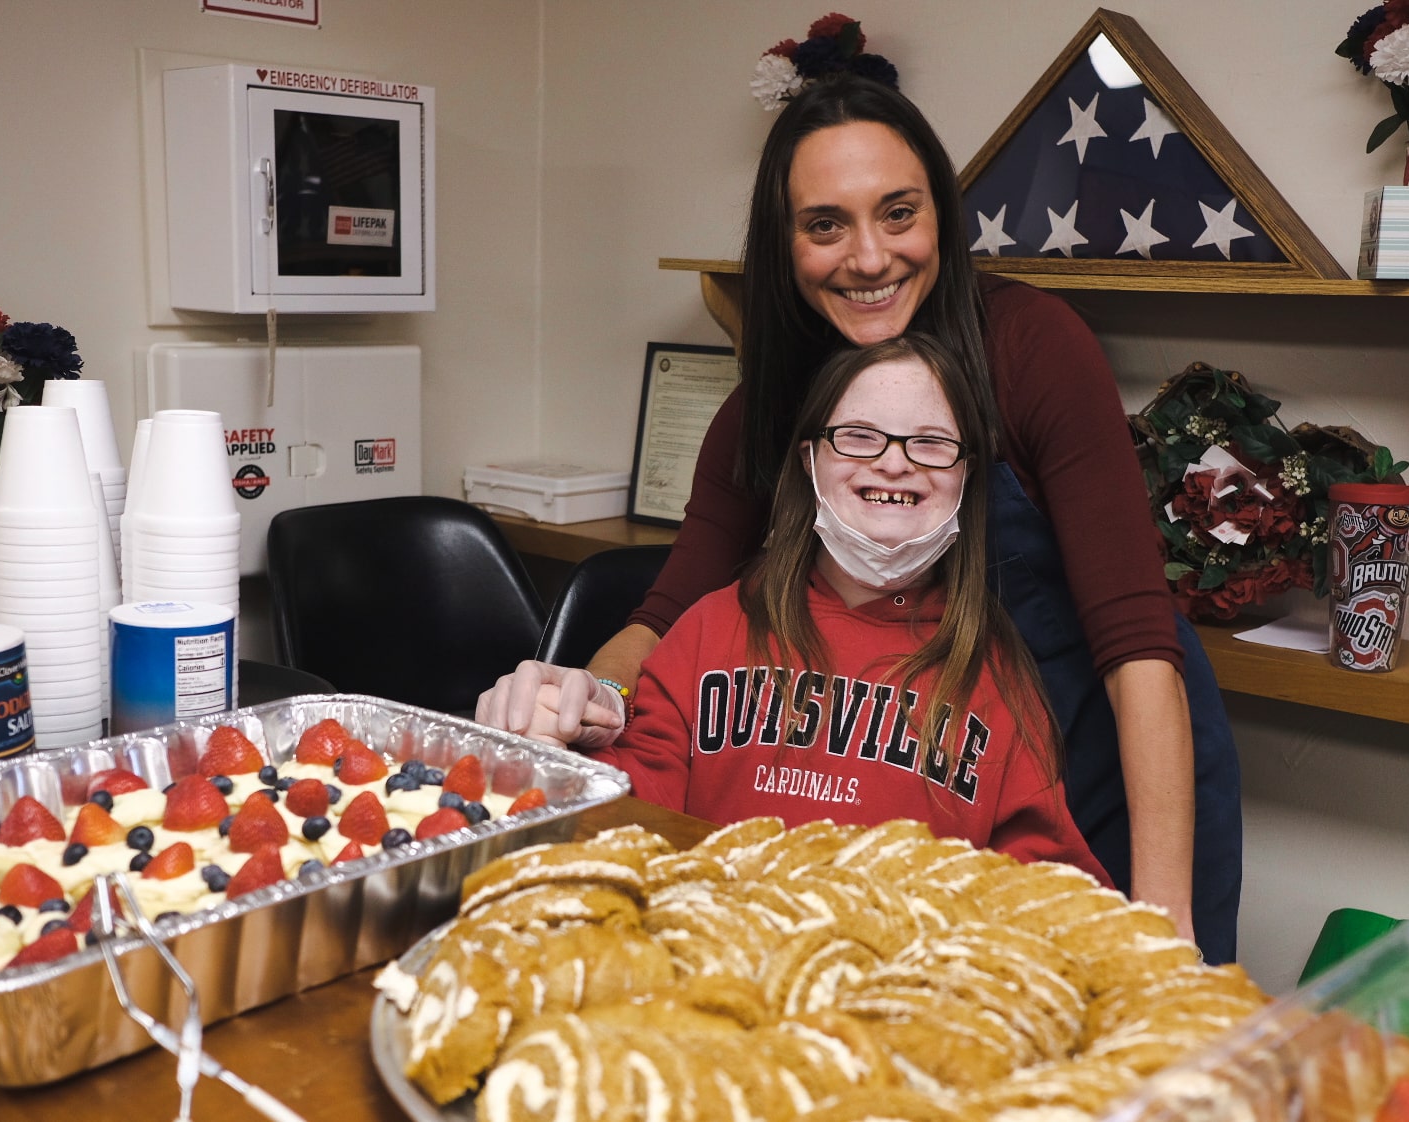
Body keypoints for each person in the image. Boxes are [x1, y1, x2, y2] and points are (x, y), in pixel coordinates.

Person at [477, 76, 1241, 963]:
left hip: (1103, 762)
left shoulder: (1033, 347)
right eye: (826, 225)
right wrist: (588, 696)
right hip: (915, 783)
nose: (869, 258)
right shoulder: (765, 405)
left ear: (941, 222)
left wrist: (1162, 922)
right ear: (785, 244)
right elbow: (666, 614)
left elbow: (1136, 644)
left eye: (898, 214)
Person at [492, 335, 1110, 882]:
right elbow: (631, 809)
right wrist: (554, 752)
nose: (894, 461)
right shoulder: (708, 630)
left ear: (966, 477)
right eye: (860, 436)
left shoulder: (997, 675)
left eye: (930, 442)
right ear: (809, 460)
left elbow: (1044, 886)